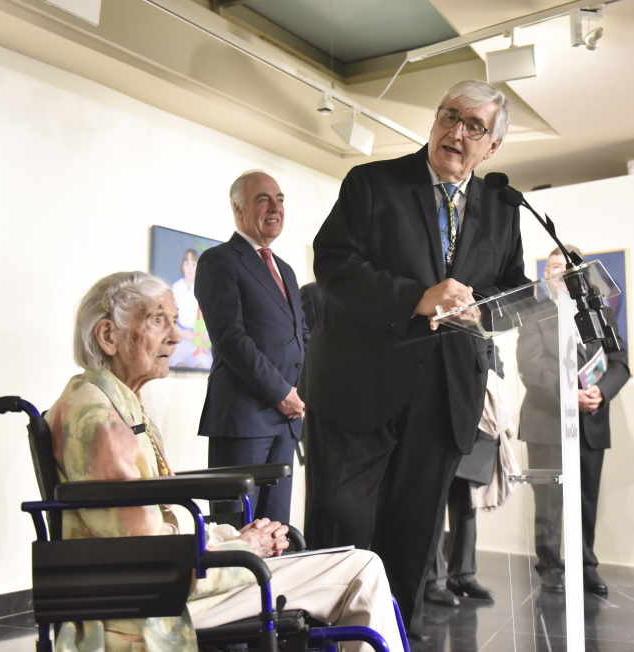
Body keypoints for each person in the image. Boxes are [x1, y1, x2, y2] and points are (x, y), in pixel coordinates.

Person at [45, 270, 403, 652]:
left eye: (173, 319)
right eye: (157, 320)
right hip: (150, 606)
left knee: (351, 566)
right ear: (107, 336)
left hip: (163, 584)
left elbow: (147, 530)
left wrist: (233, 539)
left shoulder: (109, 405)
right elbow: (151, 559)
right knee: (362, 569)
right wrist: (245, 551)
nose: (175, 335)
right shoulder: (101, 423)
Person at [299, 79, 529, 637]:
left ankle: (390, 635)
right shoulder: (374, 182)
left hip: (445, 394)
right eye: (450, 115)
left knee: (412, 534)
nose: (456, 131)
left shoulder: (502, 208)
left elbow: (512, 290)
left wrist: (487, 312)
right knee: (341, 523)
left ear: (492, 147)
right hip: (358, 390)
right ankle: (327, 637)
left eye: (474, 126)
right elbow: (332, 263)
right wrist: (414, 298)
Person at [194, 170, 308, 525]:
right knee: (235, 531)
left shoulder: (286, 270)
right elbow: (231, 339)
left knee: (276, 530)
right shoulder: (219, 261)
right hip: (244, 419)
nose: (275, 207)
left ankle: (273, 585)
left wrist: (302, 393)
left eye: (280, 199)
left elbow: (301, 335)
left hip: (286, 421)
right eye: (263, 199)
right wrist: (281, 393)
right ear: (238, 209)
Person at [517, 245, 629, 595]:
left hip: (591, 422)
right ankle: (550, 566)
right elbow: (530, 366)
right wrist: (568, 395)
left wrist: (601, 392)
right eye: (554, 266)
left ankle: (585, 566)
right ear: (547, 276)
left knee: (585, 500)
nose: (562, 272)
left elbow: (621, 362)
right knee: (549, 500)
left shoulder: (599, 315)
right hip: (547, 420)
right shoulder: (534, 313)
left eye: (568, 266)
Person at [424, 342, 508, 607]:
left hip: (473, 419)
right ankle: (431, 580)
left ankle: (462, 574)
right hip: (436, 417)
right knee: (433, 504)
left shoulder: (476, 322)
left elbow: (497, 367)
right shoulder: (432, 318)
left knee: (466, 502)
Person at [169, 248, 212, 369]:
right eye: (187, 264)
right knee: (179, 365)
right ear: (182, 266)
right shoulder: (176, 288)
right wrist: (182, 333)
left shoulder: (204, 289)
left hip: (199, 342)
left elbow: (212, 316)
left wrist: (208, 332)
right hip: (180, 339)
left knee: (202, 366)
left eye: (193, 264)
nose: (190, 268)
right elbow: (169, 317)